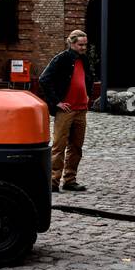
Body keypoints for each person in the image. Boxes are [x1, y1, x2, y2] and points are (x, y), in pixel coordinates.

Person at [38, 29, 94, 192]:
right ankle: (53, 182)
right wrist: (56, 102)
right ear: (71, 43)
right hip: (66, 110)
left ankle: (70, 180)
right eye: (80, 45)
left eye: (85, 45)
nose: (83, 48)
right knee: (59, 146)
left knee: (76, 147)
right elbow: (44, 79)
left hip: (81, 110)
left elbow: (88, 78)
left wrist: (88, 95)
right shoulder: (61, 59)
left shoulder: (84, 60)